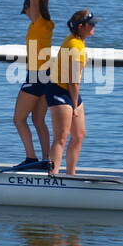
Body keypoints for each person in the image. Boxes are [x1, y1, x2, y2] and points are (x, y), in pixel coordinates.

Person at [11, 0, 54, 169]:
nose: (27, 15)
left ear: (30, 8)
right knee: (38, 120)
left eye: (26, 11)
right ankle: (47, 159)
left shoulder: (38, 22)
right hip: (47, 75)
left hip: (36, 75)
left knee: (18, 119)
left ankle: (31, 158)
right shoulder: (46, 23)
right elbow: (43, 1)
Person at [47, 9, 97, 176]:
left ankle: (70, 175)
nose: (94, 26)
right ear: (81, 26)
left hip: (70, 91)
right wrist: (75, 106)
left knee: (79, 135)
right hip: (60, 91)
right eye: (91, 24)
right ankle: (52, 175)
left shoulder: (77, 40)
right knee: (61, 138)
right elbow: (73, 81)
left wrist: (75, 103)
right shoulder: (75, 46)